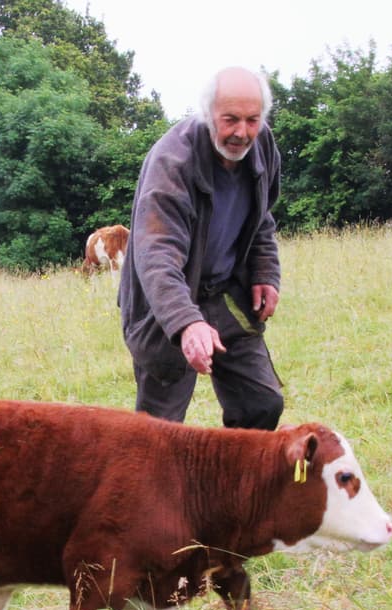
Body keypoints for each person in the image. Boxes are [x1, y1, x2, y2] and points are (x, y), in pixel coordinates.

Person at [118, 66, 284, 430]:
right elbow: (156, 256)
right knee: (159, 430)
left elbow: (262, 218)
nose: (242, 132)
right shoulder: (172, 163)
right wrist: (187, 323)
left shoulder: (262, 147)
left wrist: (265, 271)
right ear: (208, 114)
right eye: (230, 120)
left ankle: (236, 469)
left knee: (262, 403)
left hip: (225, 294)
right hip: (167, 303)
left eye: (252, 120)